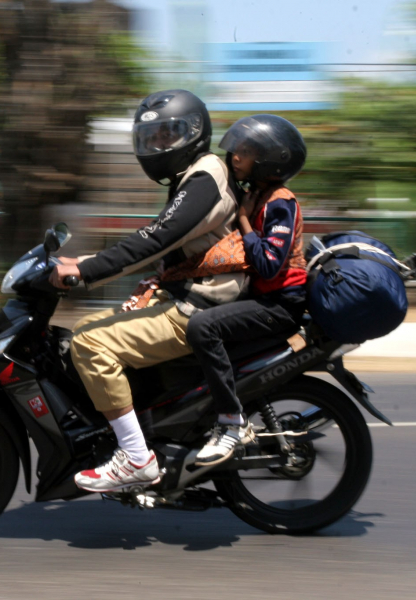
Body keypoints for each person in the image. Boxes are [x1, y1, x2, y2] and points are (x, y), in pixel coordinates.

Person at [48, 89, 246, 492]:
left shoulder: (205, 177)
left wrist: (85, 270)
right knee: (83, 330)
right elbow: (161, 242)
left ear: (193, 133)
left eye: (167, 133)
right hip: (188, 295)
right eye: (151, 136)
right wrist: (83, 261)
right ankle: (142, 428)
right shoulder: (194, 177)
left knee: (89, 343)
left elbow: (156, 238)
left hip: (201, 305)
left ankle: (137, 458)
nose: (158, 144)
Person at [185, 114, 308, 466]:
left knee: (202, 327)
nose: (235, 156)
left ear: (270, 160)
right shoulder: (257, 194)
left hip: (279, 305)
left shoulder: (279, 202)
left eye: (247, 151)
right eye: (237, 149)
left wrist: (243, 220)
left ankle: (230, 422)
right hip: (261, 298)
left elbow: (269, 263)